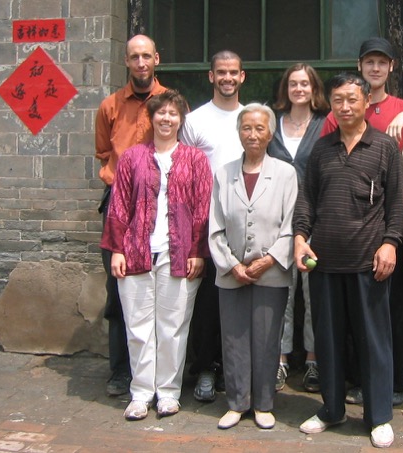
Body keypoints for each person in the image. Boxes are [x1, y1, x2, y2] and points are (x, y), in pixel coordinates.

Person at [294, 73, 403, 449]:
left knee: (374, 341)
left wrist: (390, 243)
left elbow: (396, 204)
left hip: (368, 264)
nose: (345, 107)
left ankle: (378, 416)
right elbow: (307, 200)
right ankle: (332, 409)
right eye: (338, 100)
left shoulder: (385, 147)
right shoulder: (322, 150)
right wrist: (299, 239)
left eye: (352, 100)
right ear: (331, 102)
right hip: (324, 262)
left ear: (365, 101)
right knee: (328, 340)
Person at [321, 37, 403, 407]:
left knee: (395, 306)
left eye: (381, 63)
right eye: (368, 62)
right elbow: (323, 163)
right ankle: (356, 380)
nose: (374, 68)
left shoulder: (402, 107)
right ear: (359, 66)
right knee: (354, 311)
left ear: (391, 68)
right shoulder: (341, 111)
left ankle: (395, 382)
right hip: (350, 228)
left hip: (391, 222)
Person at [100, 89, 213, 420]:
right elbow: (119, 205)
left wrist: (198, 251)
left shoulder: (195, 159)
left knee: (173, 325)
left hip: (178, 254)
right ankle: (140, 392)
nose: (166, 119)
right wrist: (117, 249)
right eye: (161, 113)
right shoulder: (133, 157)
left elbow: (203, 208)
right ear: (152, 117)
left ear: (181, 119)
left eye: (173, 114)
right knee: (138, 325)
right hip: (137, 250)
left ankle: (168, 391)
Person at [209, 103, 298, 430]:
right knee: (234, 338)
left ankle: (263, 403)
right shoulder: (224, 173)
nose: (253, 134)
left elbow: (291, 224)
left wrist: (269, 259)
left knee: (266, 338)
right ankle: (236, 402)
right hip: (231, 273)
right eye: (247, 128)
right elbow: (215, 227)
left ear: (270, 133)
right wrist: (231, 265)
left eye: (260, 128)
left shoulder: (286, 174)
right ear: (239, 132)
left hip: (271, 270)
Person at [95, 34, 167, 397]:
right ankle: (121, 371)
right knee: (119, 289)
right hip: (119, 206)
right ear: (126, 61)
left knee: (160, 290)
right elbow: (103, 150)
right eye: (134, 57)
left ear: (156, 59)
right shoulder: (110, 105)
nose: (141, 63)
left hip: (161, 203)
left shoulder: (168, 103)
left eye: (146, 57)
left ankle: (158, 371)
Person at [179, 50, 246, 402]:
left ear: (242, 76)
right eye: (221, 72)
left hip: (243, 225)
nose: (227, 78)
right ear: (211, 76)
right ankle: (205, 367)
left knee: (236, 300)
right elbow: (184, 173)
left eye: (233, 72)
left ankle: (229, 368)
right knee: (207, 303)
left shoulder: (250, 118)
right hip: (206, 224)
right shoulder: (195, 121)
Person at [267, 63, 329, 393]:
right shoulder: (272, 124)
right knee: (281, 292)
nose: (299, 89)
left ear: (313, 87)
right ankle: (278, 360)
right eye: (293, 83)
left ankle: (313, 361)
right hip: (277, 221)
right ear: (286, 88)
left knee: (312, 292)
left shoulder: (325, 124)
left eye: (305, 83)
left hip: (315, 221)